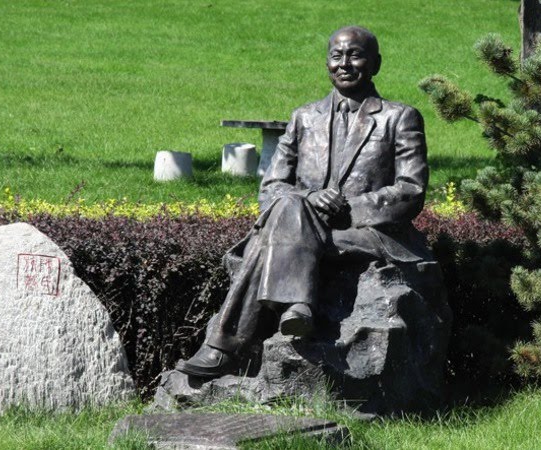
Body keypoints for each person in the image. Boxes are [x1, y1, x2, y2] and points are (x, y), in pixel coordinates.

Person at [178, 25, 432, 377]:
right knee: (289, 207)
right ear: (327, 63)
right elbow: (271, 188)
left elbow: (411, 189)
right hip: (301, 224)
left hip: (364, 231)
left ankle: (224, 348)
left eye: (355, 55)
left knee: (272, 234)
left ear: (376, 63)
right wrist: (310, 198)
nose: (344, 64)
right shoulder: (304, 117)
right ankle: (297, 306)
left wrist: (345, 209)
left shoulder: (399, 117)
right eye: (336, 56)